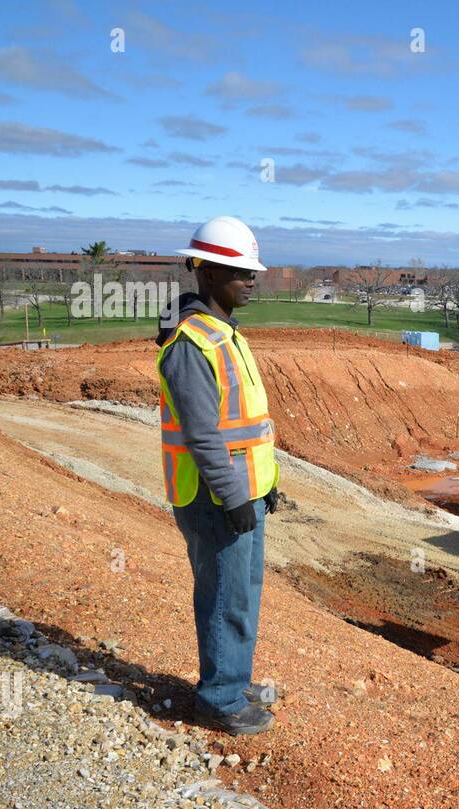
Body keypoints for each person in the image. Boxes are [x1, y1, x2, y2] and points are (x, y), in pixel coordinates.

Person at [156, 216, 278, 735]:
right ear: (203, 271)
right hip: (213, 499)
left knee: (242, 595)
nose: (249, 279)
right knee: (224, 597)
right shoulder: (191, 344)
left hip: (243, 493)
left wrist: (266, 485)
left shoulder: (225, 332)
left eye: (252, 271)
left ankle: (232, 678)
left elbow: (244, 425)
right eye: (237, 270)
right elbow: (204, 436)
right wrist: (232, 497)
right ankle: (221, 699)